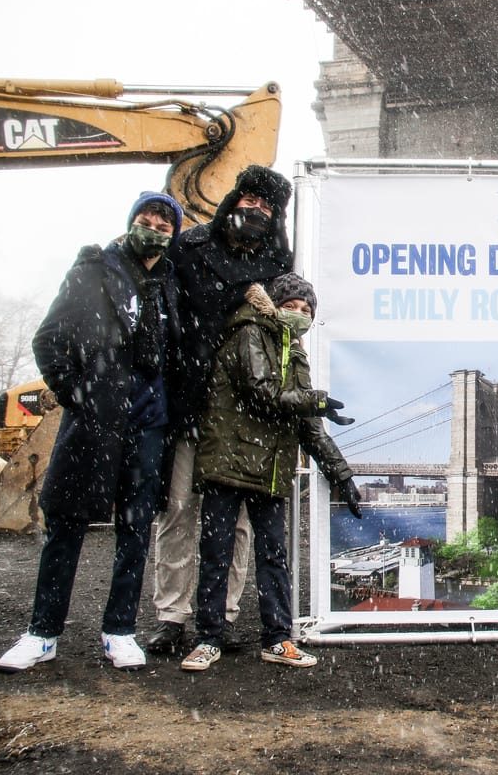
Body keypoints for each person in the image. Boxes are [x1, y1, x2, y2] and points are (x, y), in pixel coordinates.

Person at [0, 191, 183, 672]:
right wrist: (77, 395)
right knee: (66, 525)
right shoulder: (94, 271)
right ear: (131, 223)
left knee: (136, 529)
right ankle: (42, 633)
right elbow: (48, 339)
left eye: (165, 228)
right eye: (147, 222)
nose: (155, 231)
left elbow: (174, 354)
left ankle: (119, 631)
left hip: (149, 424)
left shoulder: (167, 283)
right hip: (95, 421)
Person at [147, 165, 303, 655]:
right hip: (190, 404)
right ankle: (172, 616)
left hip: (242, 413)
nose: (255, 210)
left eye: (267, 207)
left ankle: (223, 614)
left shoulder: (276, 265)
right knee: (177, 512)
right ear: (234, 197)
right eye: (250, 199)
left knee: (231, 523)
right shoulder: (188, 249)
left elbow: (286, 332)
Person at [179, 274, 358, 671]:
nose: (299, 314)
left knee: (274, 557)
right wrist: (317, 400)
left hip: (272, 467)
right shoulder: (249, 332)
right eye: (291, 306)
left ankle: (277, 638)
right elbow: (259, 391)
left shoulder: (295, 352)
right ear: (274, 305)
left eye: (307, 310)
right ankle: (208, 638)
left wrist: (341, 473)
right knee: (216, 554)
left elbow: (308, 423)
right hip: (229, 461)